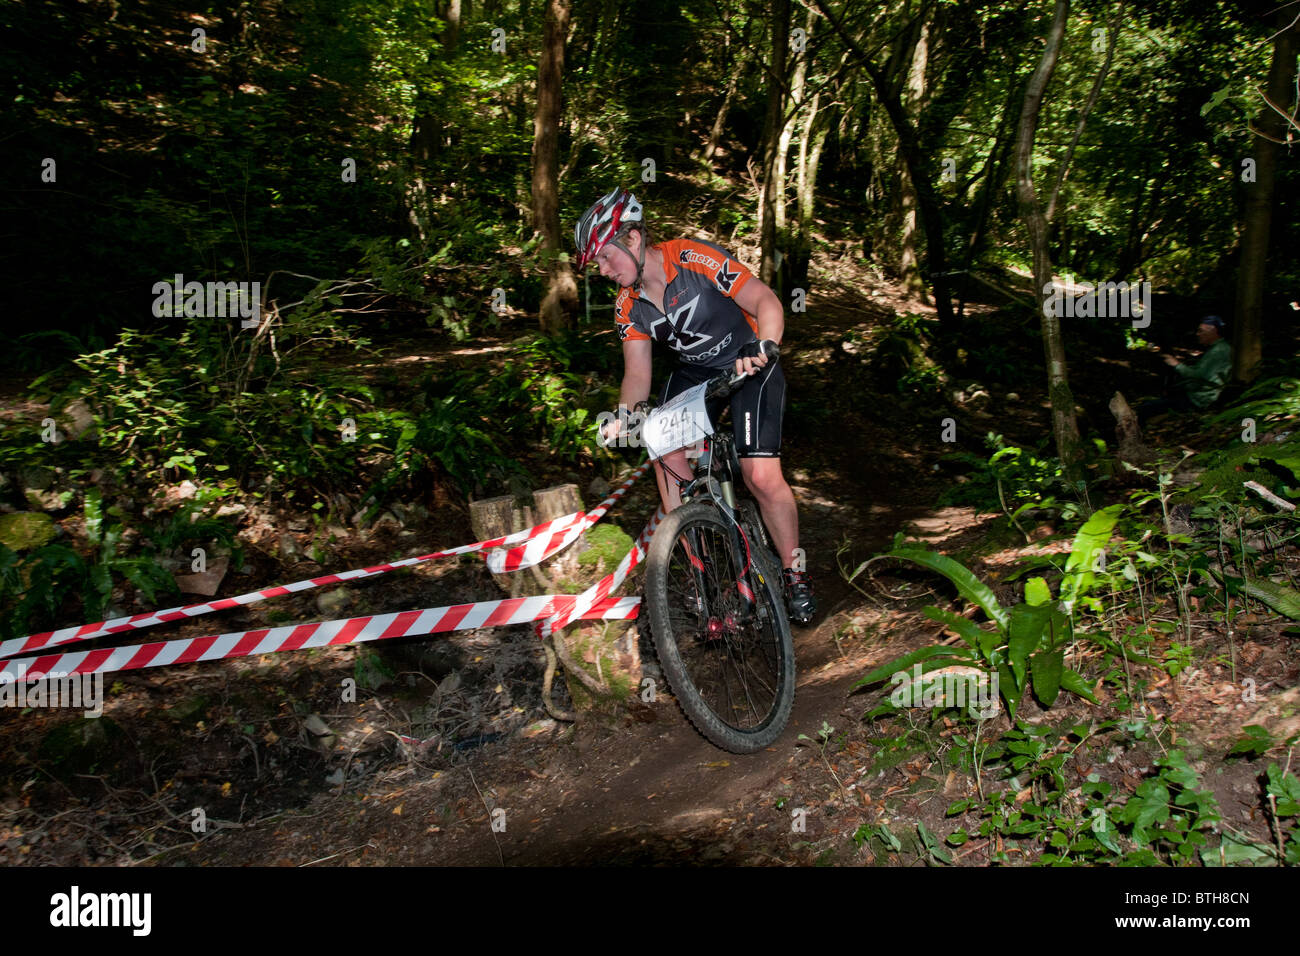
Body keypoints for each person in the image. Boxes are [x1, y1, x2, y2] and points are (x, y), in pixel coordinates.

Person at [574, 187, 816, 625]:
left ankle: (794, 572)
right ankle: (700, 571)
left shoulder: (691, 257)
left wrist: (766, 343)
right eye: (597, 264)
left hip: (747, 359)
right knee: (662, 450)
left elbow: (766, 301)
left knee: (759, 475)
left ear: (632, 239)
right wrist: (624, 416)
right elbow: (637, 375)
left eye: (606, 257)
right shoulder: (627, 306)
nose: (603, 270)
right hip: (696, 372)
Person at [1139, 315, 1233, 423]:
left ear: (1213, 331)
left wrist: (1176, 364)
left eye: (1201, 331)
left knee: (1146, 408)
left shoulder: (1219, 351)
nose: (1198, 334)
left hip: (1199, 400)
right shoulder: (1219, 348)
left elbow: (1197, 375)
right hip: (1197, 396)